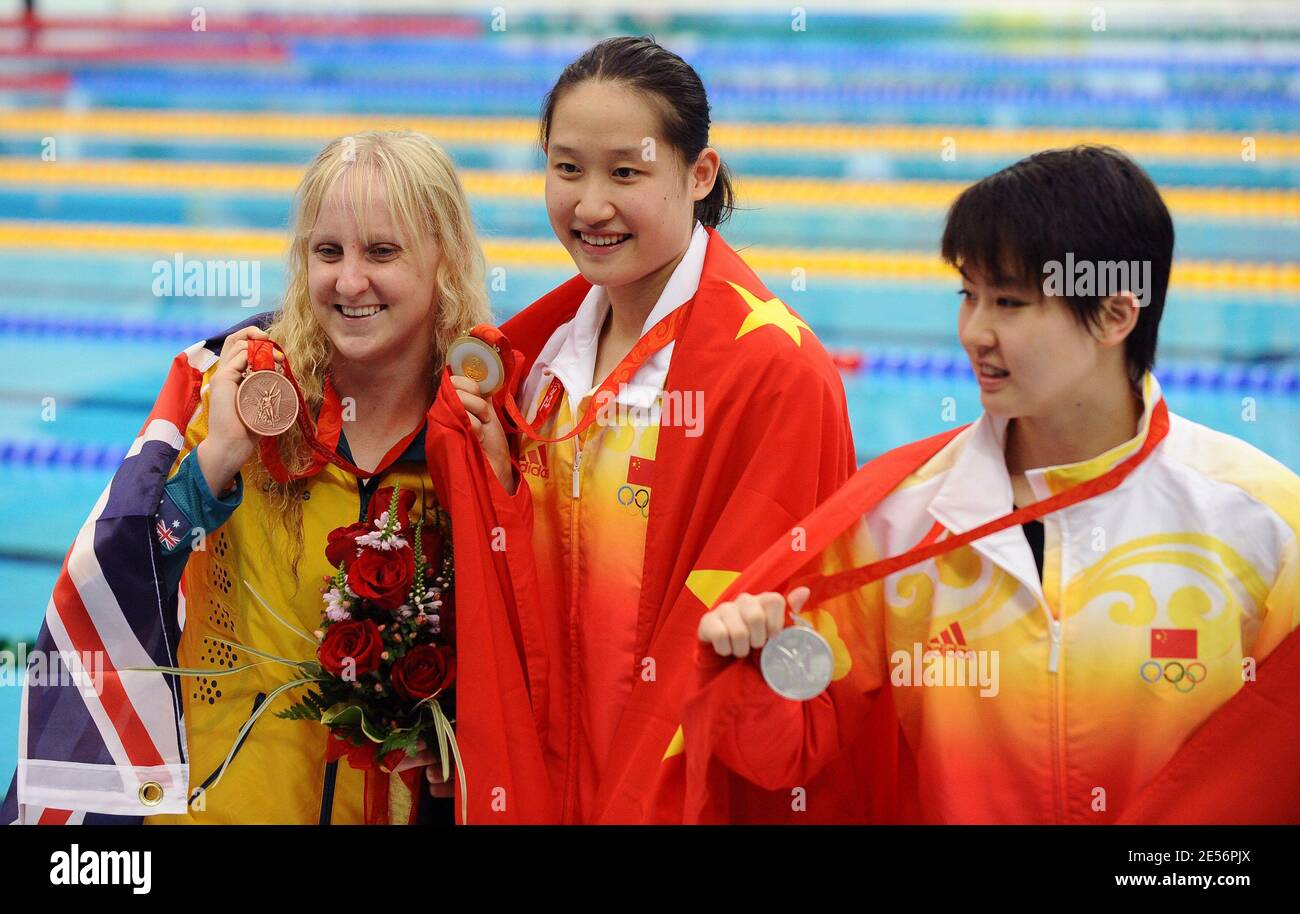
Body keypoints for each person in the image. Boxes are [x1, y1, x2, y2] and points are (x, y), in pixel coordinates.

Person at [688, 145, 1300, 824]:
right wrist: (756, 669)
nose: (975, 332)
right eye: (968, 295)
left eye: (1008, 302)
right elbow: (793, 761)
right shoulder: (902, 518)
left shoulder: (1261, 522)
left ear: (1116, 314)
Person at [3, 130, 553, 825]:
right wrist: (214, 464)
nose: (349, 281)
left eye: (381, 252)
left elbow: (538, 643)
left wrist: (467, 742)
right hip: (227, 802)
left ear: (443, 259)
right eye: (328, 252)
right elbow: (113, 583)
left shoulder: (488, 426)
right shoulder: (236, 392)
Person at [472, 36, 860, 824]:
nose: (589, 206)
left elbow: (793, 656)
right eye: (567, 168)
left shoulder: (774, 376)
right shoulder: (539, 365)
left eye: (625, 172)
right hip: (549, 782)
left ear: (698, 175)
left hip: (682, 796)